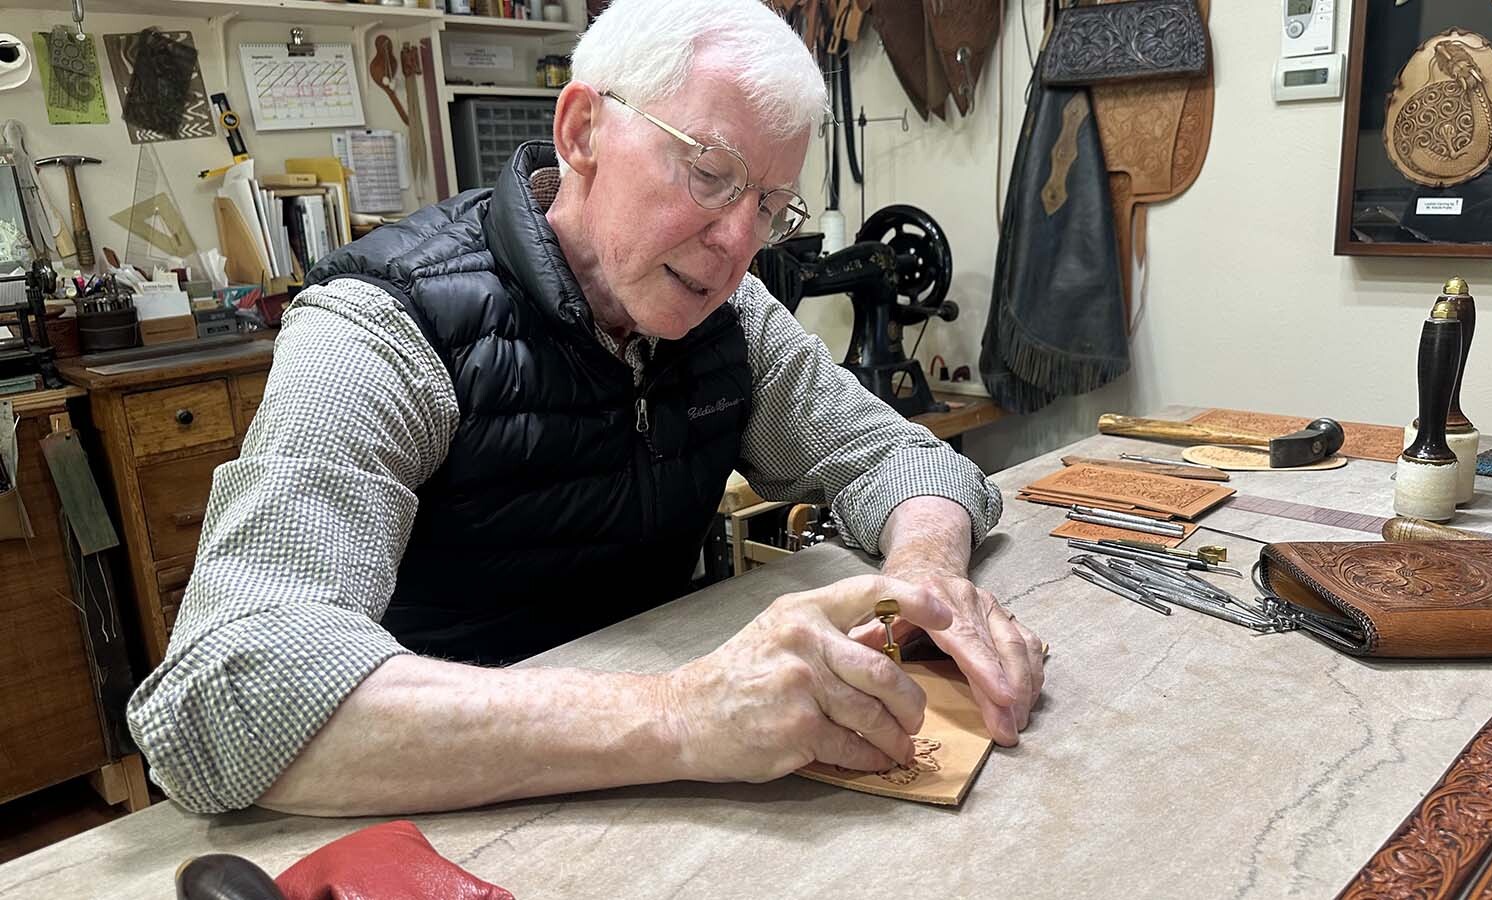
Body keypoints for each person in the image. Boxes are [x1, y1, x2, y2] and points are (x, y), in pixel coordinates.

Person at [126, 0, 1044, 817]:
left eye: (770, 206)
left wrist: (924, 586)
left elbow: (900, 459)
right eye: (710, 173)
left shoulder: (732, 317)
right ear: (582, 130)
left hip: (677, 801)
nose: (737, 244)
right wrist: (683, 716)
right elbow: (224, 702)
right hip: (440, 807)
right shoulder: (384, 326)